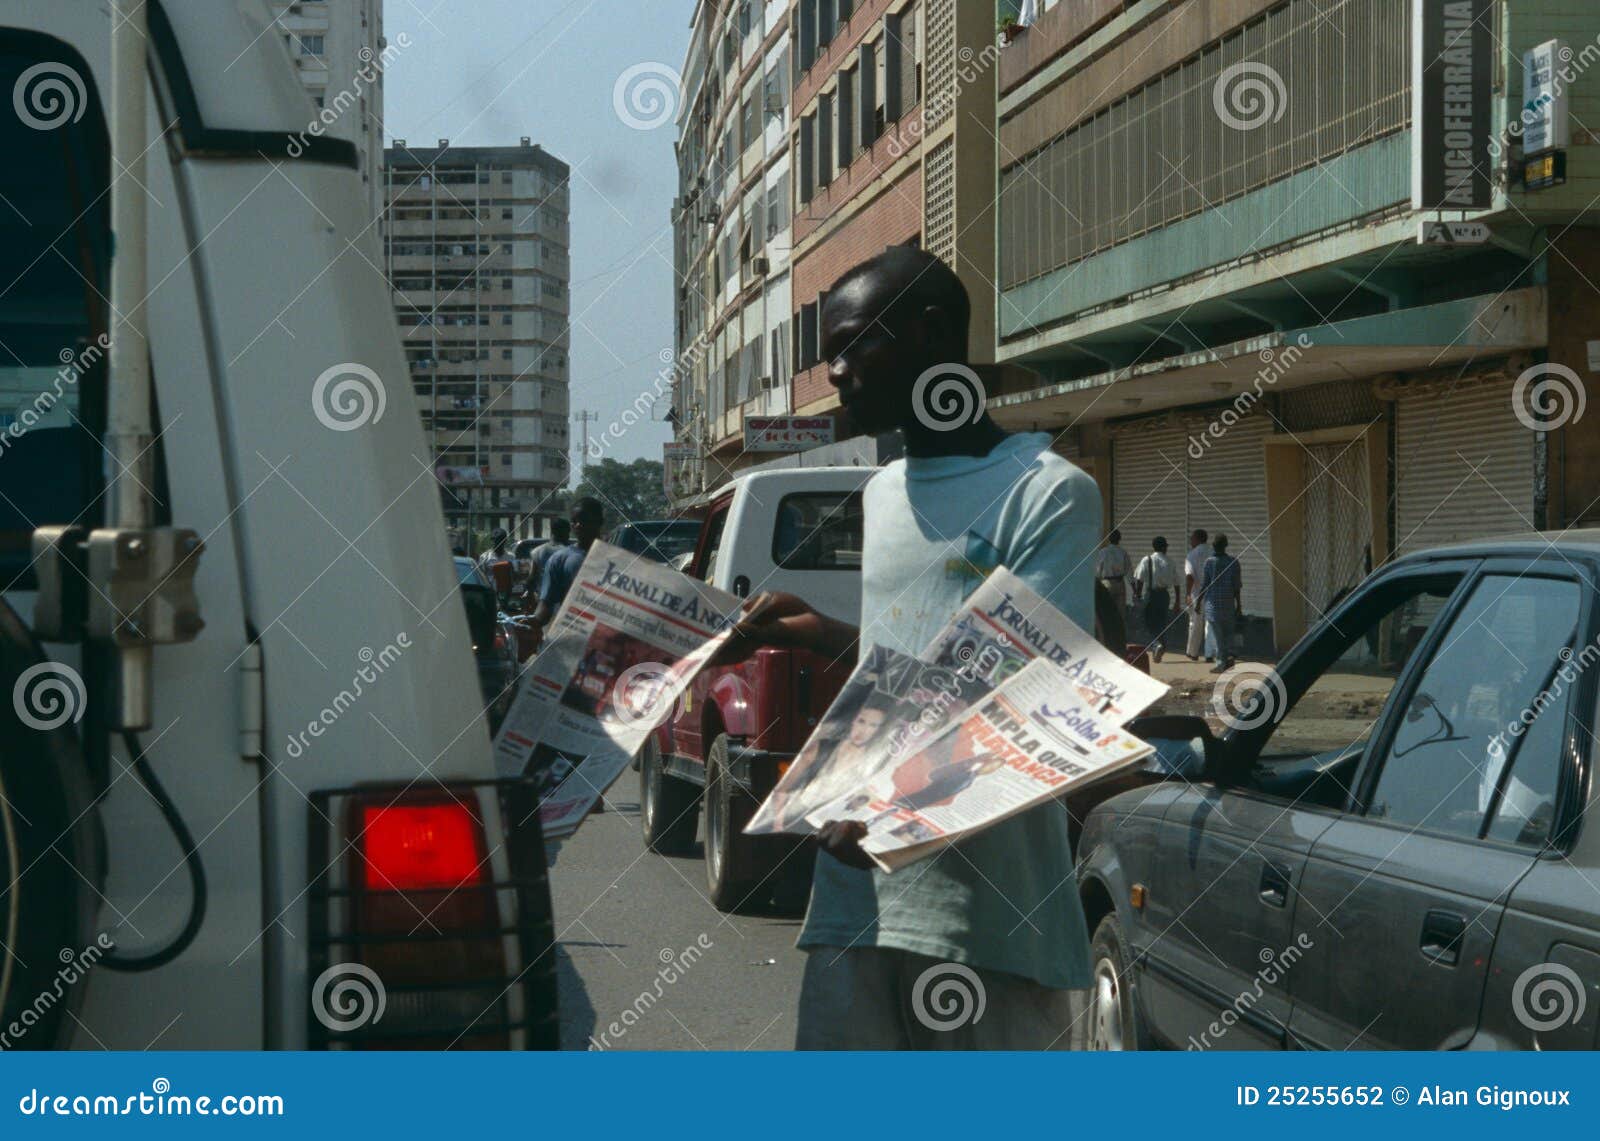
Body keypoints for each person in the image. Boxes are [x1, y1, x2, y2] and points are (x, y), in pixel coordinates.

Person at [718, 245, 1101, 1051]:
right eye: (831, 355)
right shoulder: (884, 492)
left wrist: (889, 806)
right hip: (855, 905)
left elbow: (1029, 689)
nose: (840, 373)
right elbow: (916, 659)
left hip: (986, 919)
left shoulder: (1048, 491)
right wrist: (820, 633)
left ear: (930, 334)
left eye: (855, 345)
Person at [527, 499, 604, 636]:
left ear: (600, 521)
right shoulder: (559, 560)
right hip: (572, 636)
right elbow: (546, 605)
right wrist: (532, 622)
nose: (578, 525)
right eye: (574, 521)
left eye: (584, 520)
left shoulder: (621, 559)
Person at [1198, 533, 1243, 673]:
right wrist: (1239, 605)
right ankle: (1229, 658)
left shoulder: (1209, 562)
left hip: (1213, 606)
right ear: (1226, 546)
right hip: (1228, 604)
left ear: (1213, 546)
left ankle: (1222, 663)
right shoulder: (1234, 562)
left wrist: (1198, 602)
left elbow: (1205, 584)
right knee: (1228, 633)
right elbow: (1237, 587)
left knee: (1218, 636)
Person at [1132, 536, 1180, 663]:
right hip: (1164, 596)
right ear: (1165, 547)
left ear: (1154, 547)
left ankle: (1156, 645)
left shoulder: (1147, 560)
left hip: (1151, 594)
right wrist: (1177, 601)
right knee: (1161, 622)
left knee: (1148, 623)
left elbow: (1139, 578)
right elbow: (1177, 583)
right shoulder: (1170, 561)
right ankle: (1160, 647)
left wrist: (1137, 594)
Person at [521, 517, 573, 600]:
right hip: (566, 601)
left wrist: (529, 594)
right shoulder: (571, 552)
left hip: (544, 601)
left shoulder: (537, 551)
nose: (568, 536)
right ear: (564, 532)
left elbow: (532, 579)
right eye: (567, 532)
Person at [1094, 529, 1131, 633]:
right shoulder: (1123, 552)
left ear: (1109, 539)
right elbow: (1129, 571)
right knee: (1120, 613)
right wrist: (1135, 588)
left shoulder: (1102, 552)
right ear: (1119, 539)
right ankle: (1120, 635)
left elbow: (1097, 571)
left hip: (1107, 583)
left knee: (1106, 612)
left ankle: (1108, 636)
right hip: (1120, 583)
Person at [1184, 528, 1212, 661]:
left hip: (1197, 594)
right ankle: (1209, 654)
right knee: (1210, 624)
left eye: (1192, 538)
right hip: (1212, 594)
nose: (1190, 540)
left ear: (1197, 539)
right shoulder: (1213, 552)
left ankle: (1192, 653)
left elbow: (1189, 576)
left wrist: (1188, 594)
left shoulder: (1192, 555)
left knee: (1195, 623)